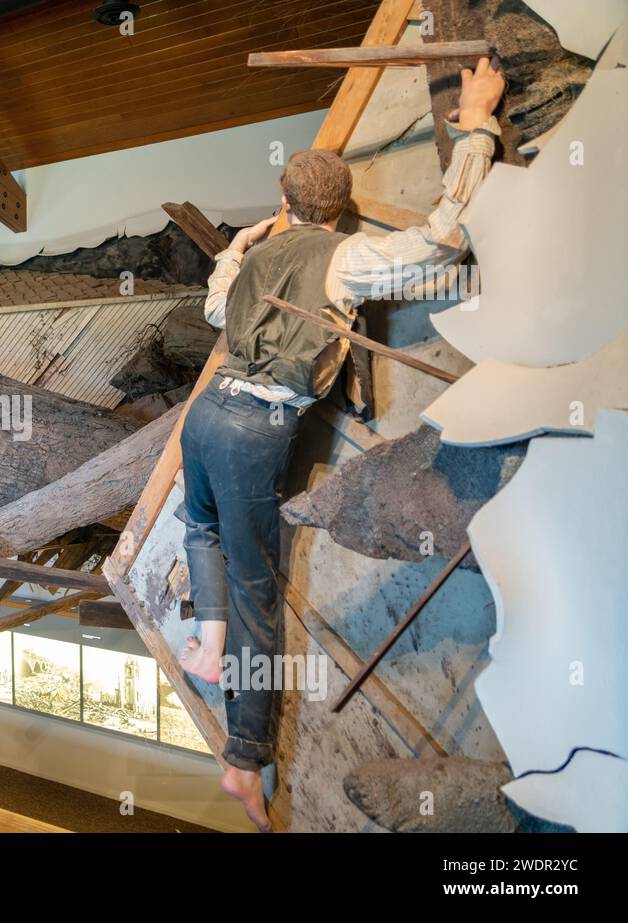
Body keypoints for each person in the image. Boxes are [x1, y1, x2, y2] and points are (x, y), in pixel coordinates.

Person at [175, 58, 506, 832]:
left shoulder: (258, 258)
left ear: (284, 201)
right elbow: (442, 238)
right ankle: (243, 757)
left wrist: (240, 244)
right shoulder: (346, 257)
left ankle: (208, 643)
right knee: (258, 593)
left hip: (206, 414)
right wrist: (479, 131)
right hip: (254, 430)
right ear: (340, 206)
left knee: (203, 527)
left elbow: (216, 304)